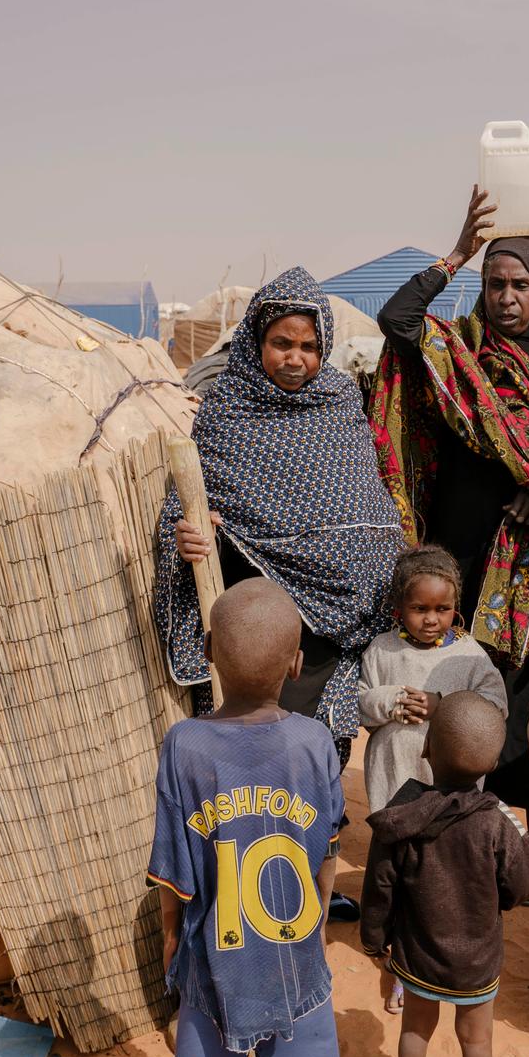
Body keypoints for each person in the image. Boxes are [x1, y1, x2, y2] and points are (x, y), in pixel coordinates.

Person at [370, 187, 529, 903]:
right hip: (465, 553)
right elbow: (398, 320)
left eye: (520, 285)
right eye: (495, 283)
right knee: (461, 695)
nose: (508, 297)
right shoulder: (460, 351)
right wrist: (455, 254)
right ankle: (456, 827)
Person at [156, 267, 402, 769]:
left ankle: (319, 824)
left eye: (309, 346)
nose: (295, 359)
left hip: (331, 622)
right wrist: (188, 536)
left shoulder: (338, 400)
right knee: (252, 744)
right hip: (254, 609)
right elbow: (186, 505)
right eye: (281, 343)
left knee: (309, 744)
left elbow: (365, 503)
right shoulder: (226, 408)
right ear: (255, 340)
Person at [147, 578, 345, 1057]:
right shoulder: (314, 740)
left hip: (214, 965)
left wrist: (171, 933)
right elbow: (327, 848)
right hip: (297, 957)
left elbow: (174, 864)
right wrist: (318, 921)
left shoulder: (184, 744)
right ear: (297, 664)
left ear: (208, 651)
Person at [359, 691, 529, 1057]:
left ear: (426, 748)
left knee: (415, 1030)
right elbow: (522, 884)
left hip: (417, 954)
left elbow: (379, 886)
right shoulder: (496, 821)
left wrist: (375, 944)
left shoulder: (402, 812)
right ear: (491, 764)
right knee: (476, 1038)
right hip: (476, 961)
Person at [358, 545, 507, 816]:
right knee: (394, 832)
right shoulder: (382, 649)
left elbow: (496, 706)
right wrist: (393, 701)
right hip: (393, 770)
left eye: (442, 609)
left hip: (451, 781)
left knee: (443, 840)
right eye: (419, 608)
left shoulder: (469, 654)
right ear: (399, 606)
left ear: (455, 607)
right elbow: (360, 703)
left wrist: (444, 707)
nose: (431, 619)